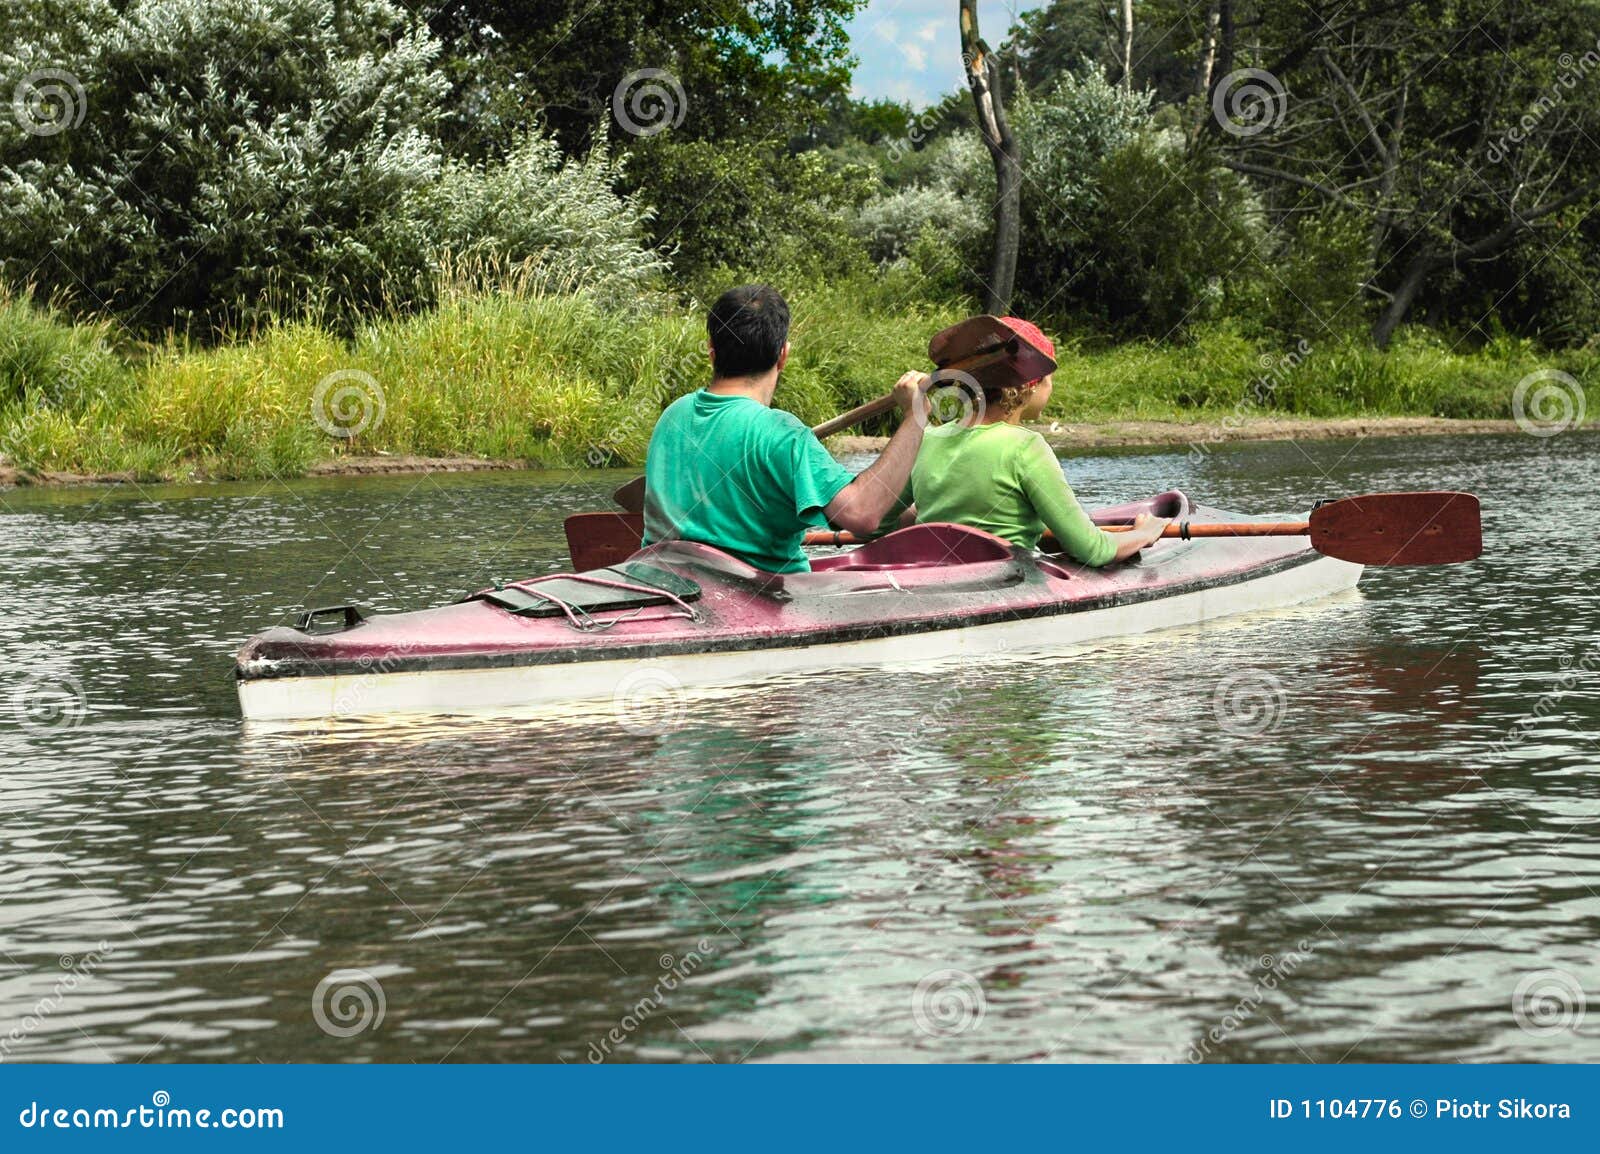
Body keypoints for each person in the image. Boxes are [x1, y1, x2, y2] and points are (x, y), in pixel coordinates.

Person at [642, 284, 932, 574]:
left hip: (660, 579)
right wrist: (914, 416)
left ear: (711, 352)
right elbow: (863, 514)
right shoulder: (783, 435)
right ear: (783, 355)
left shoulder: (673, 415)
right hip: (757, 594)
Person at [901, 317, 1167, 566]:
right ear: (1029, 384)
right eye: (1049, 379)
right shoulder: (1025, 447)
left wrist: (933, 511)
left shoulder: (927, 438)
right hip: (1006, 581)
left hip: (934, 573)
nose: (1051, 386)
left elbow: (882, 522)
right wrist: (1144, 534)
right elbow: (1092, 550)